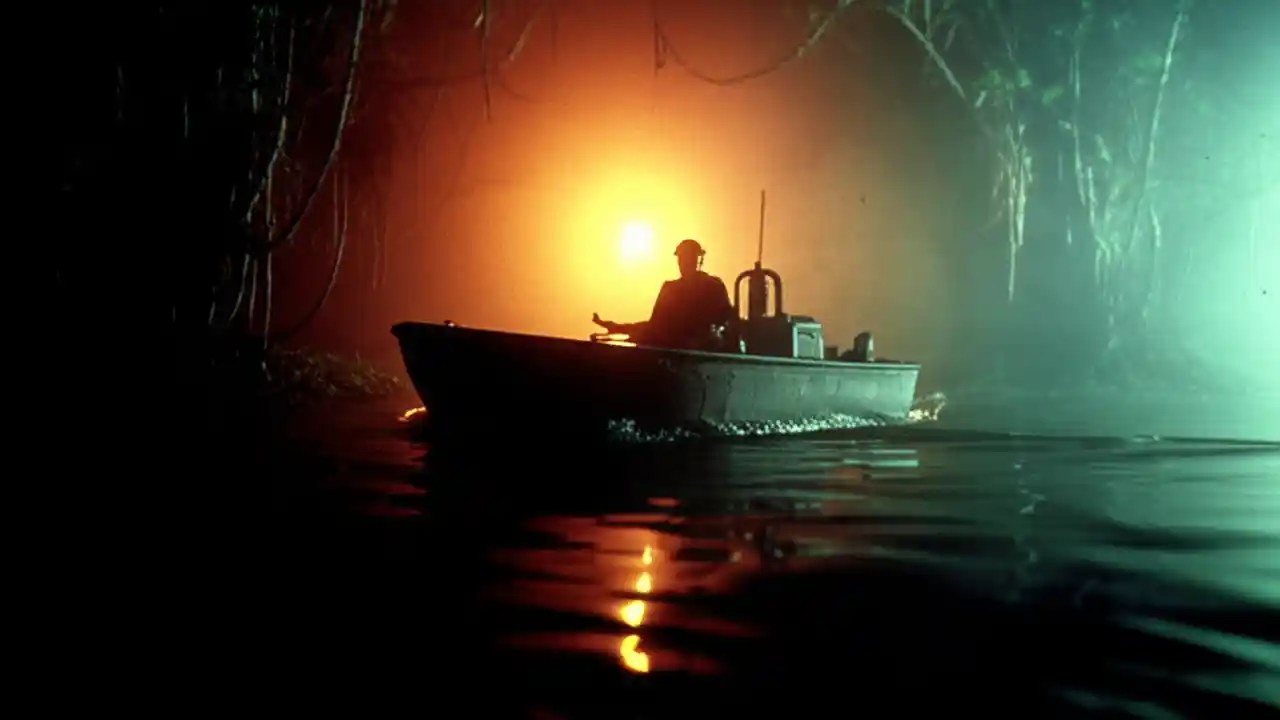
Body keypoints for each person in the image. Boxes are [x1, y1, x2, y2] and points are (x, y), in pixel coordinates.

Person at [593, 238, 736, 350]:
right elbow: (655, 326)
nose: (683, 263)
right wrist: (618, 328)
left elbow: (728, 322)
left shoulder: (712, 286)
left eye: (687, 258)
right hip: (671, 352)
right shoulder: (670, 289)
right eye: (681, 259)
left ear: (697, 260)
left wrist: (706, 340)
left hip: (700, 356)